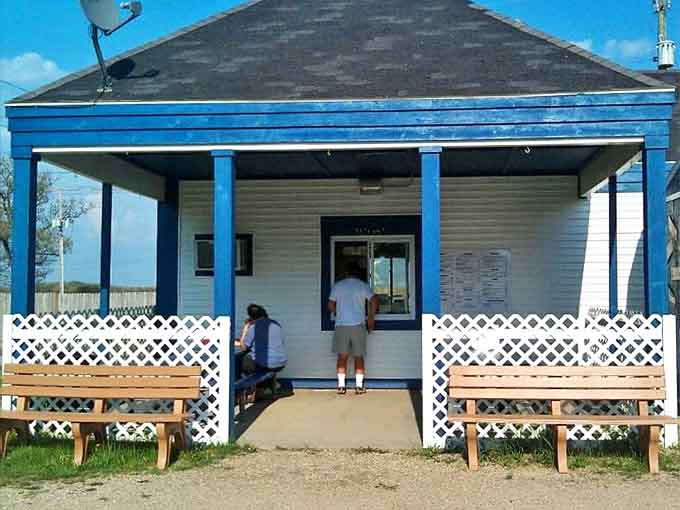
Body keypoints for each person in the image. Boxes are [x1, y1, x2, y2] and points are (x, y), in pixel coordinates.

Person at [328, 261, 379, 395]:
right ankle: (359, 386)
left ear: (346, 273)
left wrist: (338, 312)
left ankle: (340, 386)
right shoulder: (362, 286)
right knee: (358, 356)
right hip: (358, 325)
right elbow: (374, 300)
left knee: (342, 357)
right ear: (358, 273)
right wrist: (371, 317)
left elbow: (330, 305)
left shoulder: (338, 286)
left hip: (341, 325)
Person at [235, 304, 287, 375]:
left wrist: (246, 328)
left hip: (266, 364)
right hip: (281, 362)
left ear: (251, 317)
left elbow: (243, 347)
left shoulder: (254, 327)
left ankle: (242, 384)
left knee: (238, 359)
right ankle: (271, 382)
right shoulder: (276, 324)